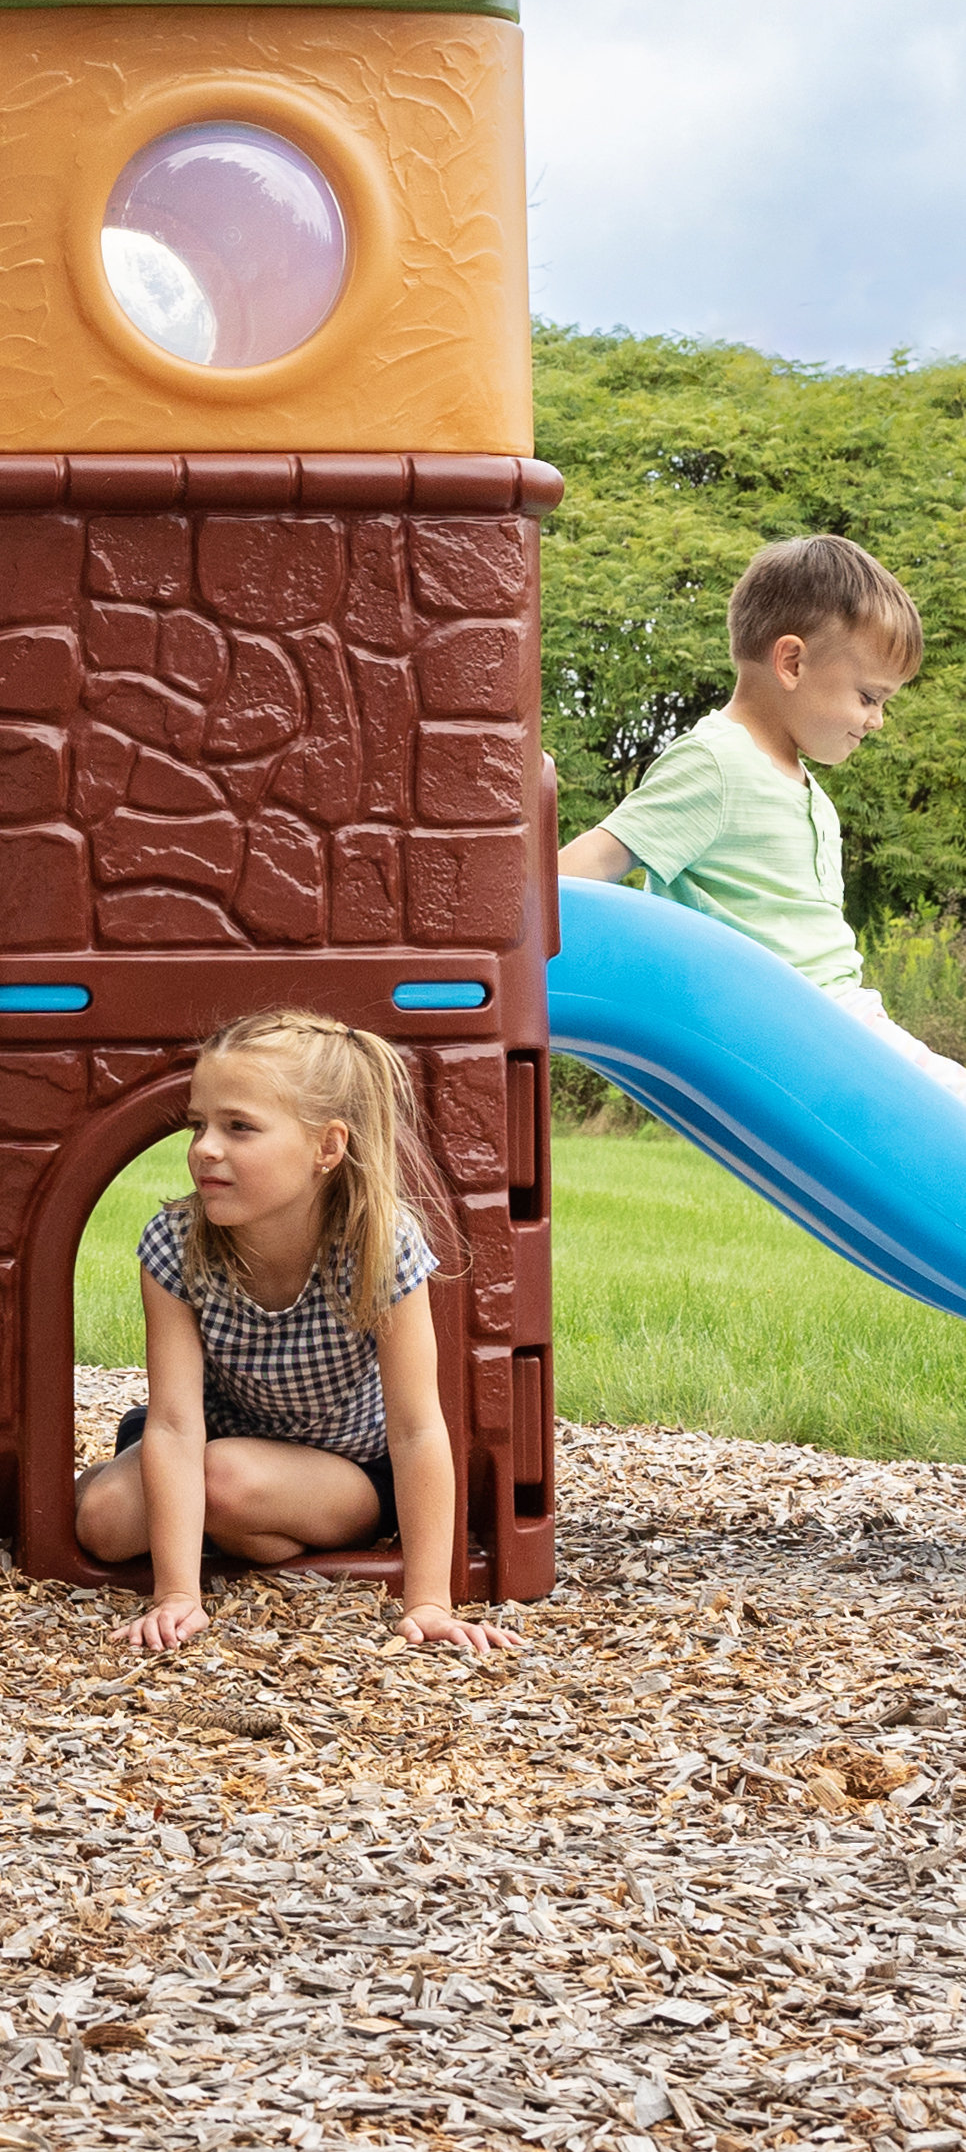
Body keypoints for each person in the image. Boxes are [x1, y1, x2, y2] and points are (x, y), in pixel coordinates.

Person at [74, 1009, 521, 1656]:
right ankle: (247, 1535)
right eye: (199, 1124)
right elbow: (173, 1423)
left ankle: (233, 1524)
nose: (205, 1148)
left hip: (344, 1473)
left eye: (239, 1127)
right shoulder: (176, 1245)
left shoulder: (380, 1247)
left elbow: (416, 1428)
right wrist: (176, 1595)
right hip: (214, 1441)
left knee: (223, 1479)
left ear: (327, 1148)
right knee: (100, 1520)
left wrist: (429, 1602)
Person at [558, 533, 960, 1088]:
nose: (877, 720)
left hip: (839, 1023)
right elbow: (597, 860)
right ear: (792, 662)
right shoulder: (717, 762)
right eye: (869, 697)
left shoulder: (807, 791)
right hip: (795, 1029)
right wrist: (494, 932)